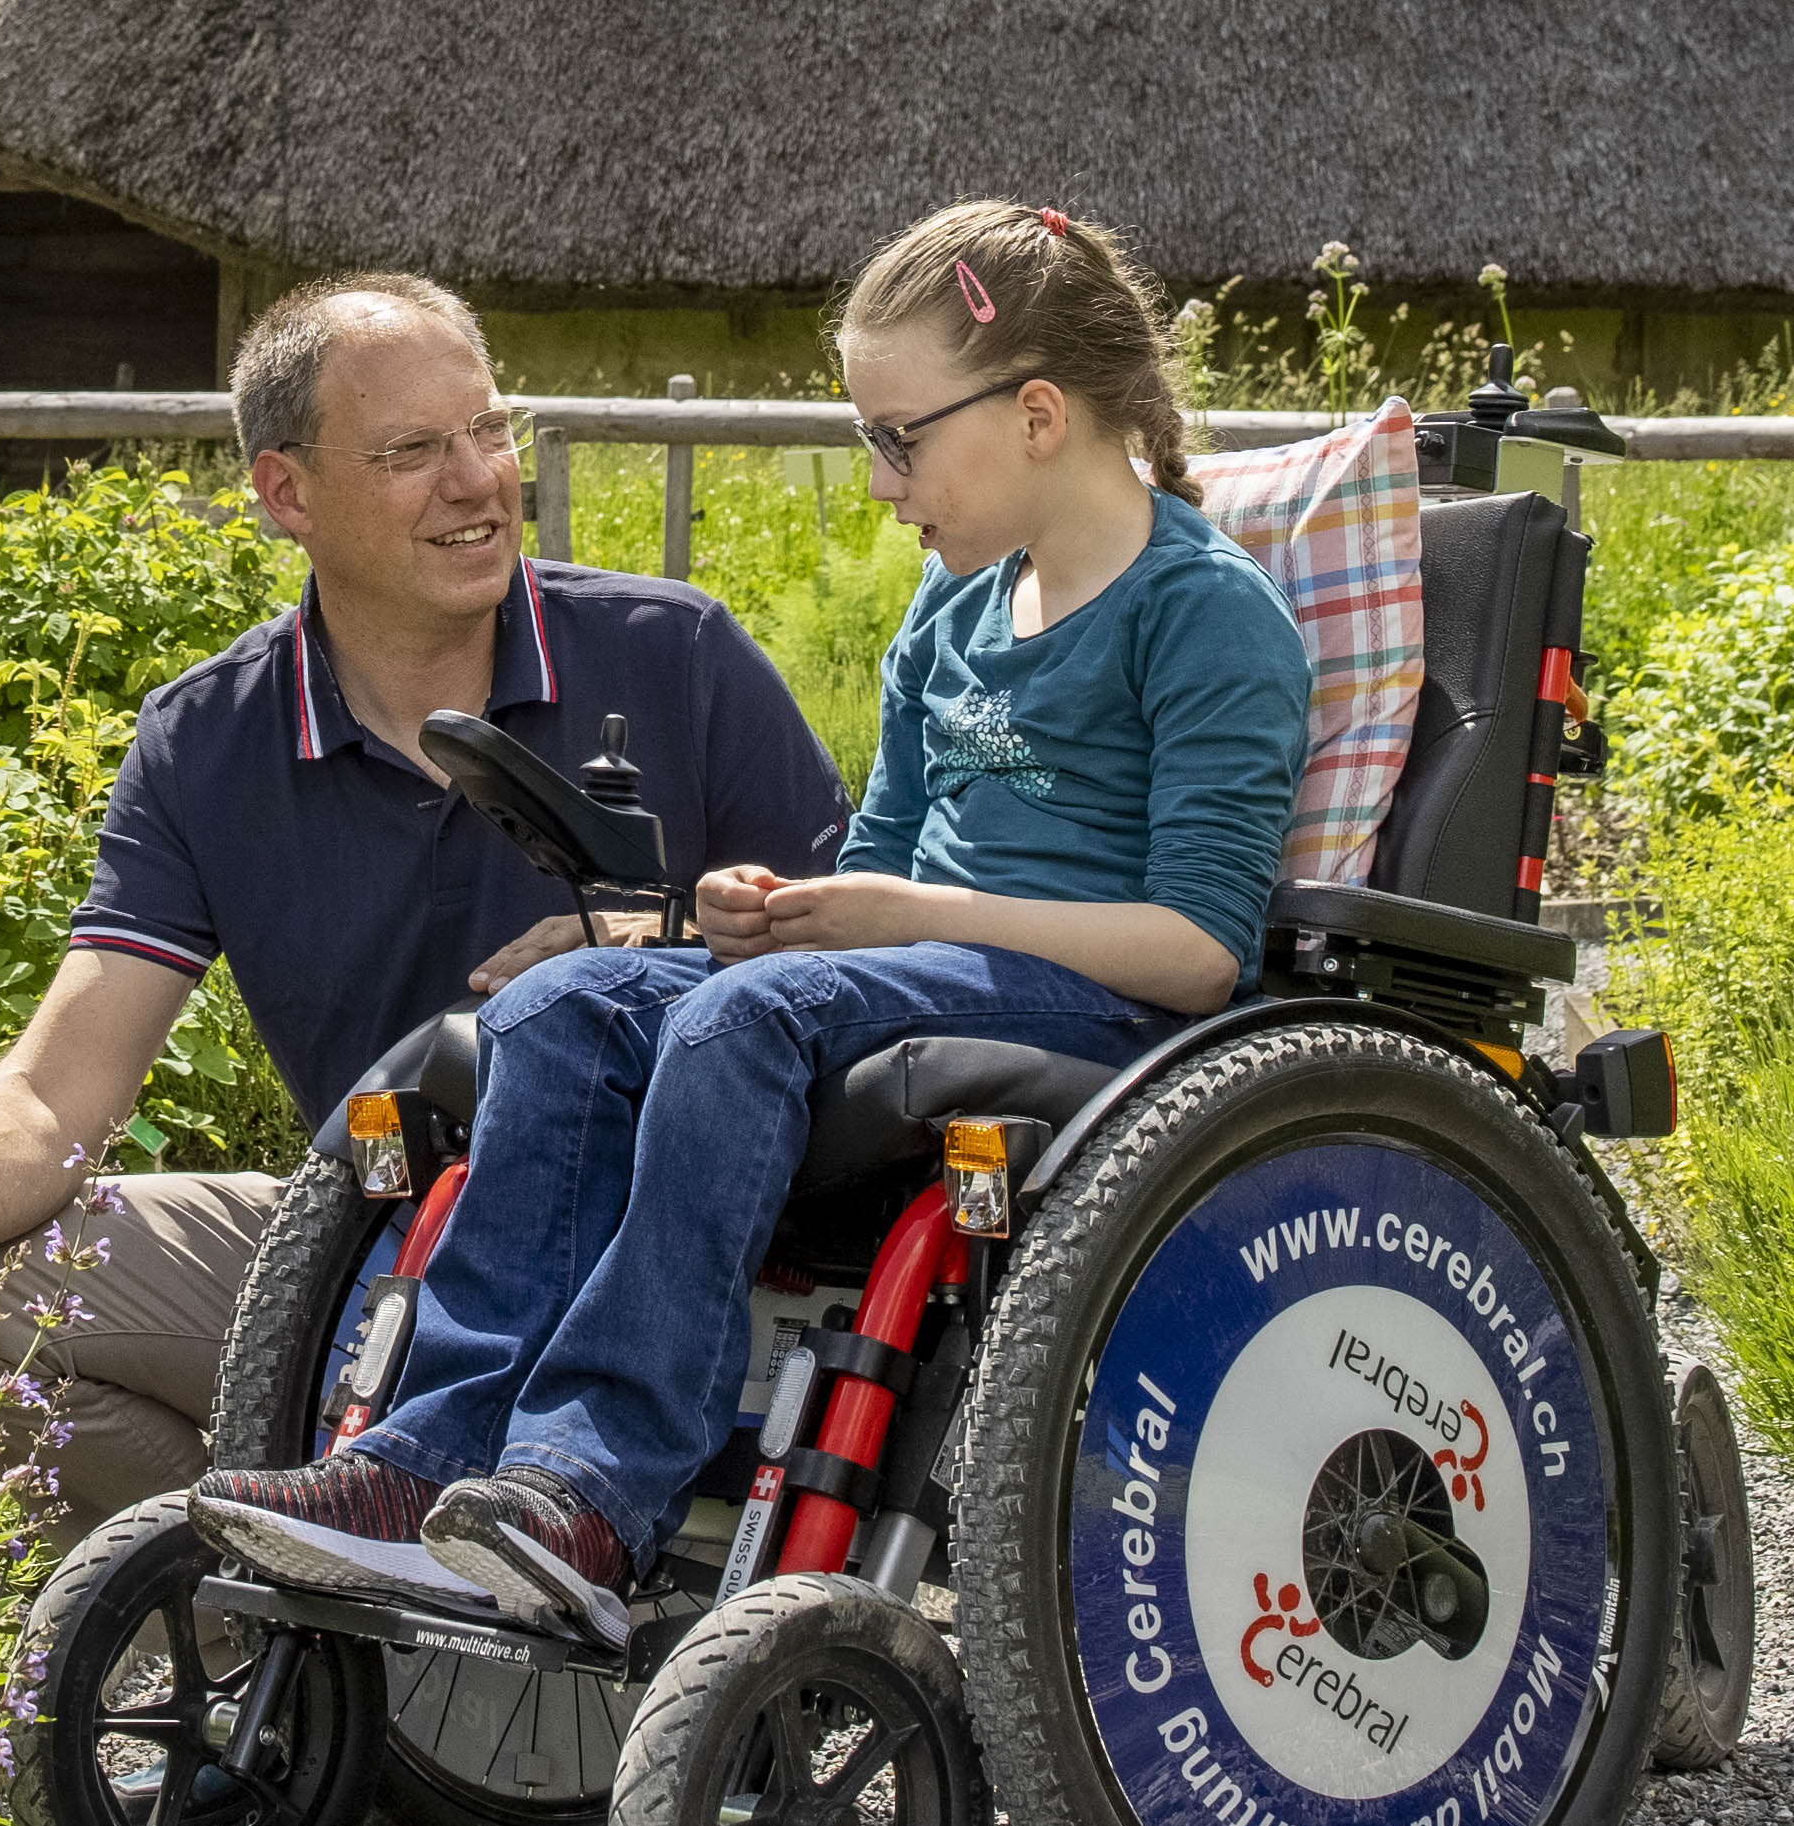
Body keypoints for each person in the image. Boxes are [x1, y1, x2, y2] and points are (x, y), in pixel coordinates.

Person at [191, 199, 1306, 1656]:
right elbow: (884, 869)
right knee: (557, 1007)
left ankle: (592, 1490)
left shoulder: (1201, 615)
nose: (883, 485)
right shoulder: (953, 614)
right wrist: (772, 916)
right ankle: (425, 1454)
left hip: (1109, 1010)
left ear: (1037, 415)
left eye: (900, 440)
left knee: (739, 1016)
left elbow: (1201, 948)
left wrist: (886, 919)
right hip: (929, 978)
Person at [0, 271, 846, 1528]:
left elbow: (872, 962)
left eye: (487, 429)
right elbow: (57, 1089)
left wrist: (659, 946)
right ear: (286, 493)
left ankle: (394, 1552)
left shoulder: (674, 654)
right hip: (361, 1246)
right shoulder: (208, 738)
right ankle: (277, 1590)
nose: (477, 480)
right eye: (411, 451)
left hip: (667, 1269)